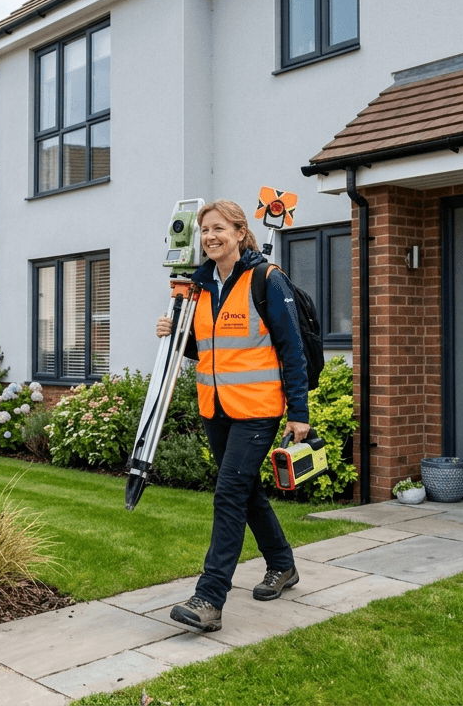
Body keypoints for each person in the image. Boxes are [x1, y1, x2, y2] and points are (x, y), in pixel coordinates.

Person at [155, 199, 309, 633]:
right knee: (244, 492)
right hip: (216, 409)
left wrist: (299, 412)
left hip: (258, 410)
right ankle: (283, 565)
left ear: (241, 233)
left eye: (219, 228)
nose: (210, 237)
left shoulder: (266, 279)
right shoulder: (200, 287)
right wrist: (174, 337)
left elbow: (291, 349)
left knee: (227, 495)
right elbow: (208, 350)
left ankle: (209, 597)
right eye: (205, 230)